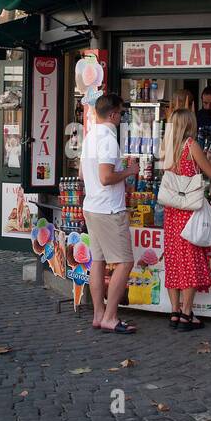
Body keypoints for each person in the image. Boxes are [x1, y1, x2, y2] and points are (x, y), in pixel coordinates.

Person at [81, 93, 136, 335]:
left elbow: (84, 175)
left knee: (99, 261)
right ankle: (111, 317)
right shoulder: (108, 140)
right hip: (108, 208)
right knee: (125, 262)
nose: (122, 117)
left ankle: (98, 314)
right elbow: (106, 178)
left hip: (92, 205)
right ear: (113, 114)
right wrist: (129, 171)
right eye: (122, 113)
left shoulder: (90, 136)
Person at [159, 108, 211, 331]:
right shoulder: (191, 145)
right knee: (190, 262)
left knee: (174, 261)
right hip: (188, 212)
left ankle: (175, 312)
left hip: (171, 212)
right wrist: (210, 160)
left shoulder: (167, 146)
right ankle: (186, 314)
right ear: (189, 124)